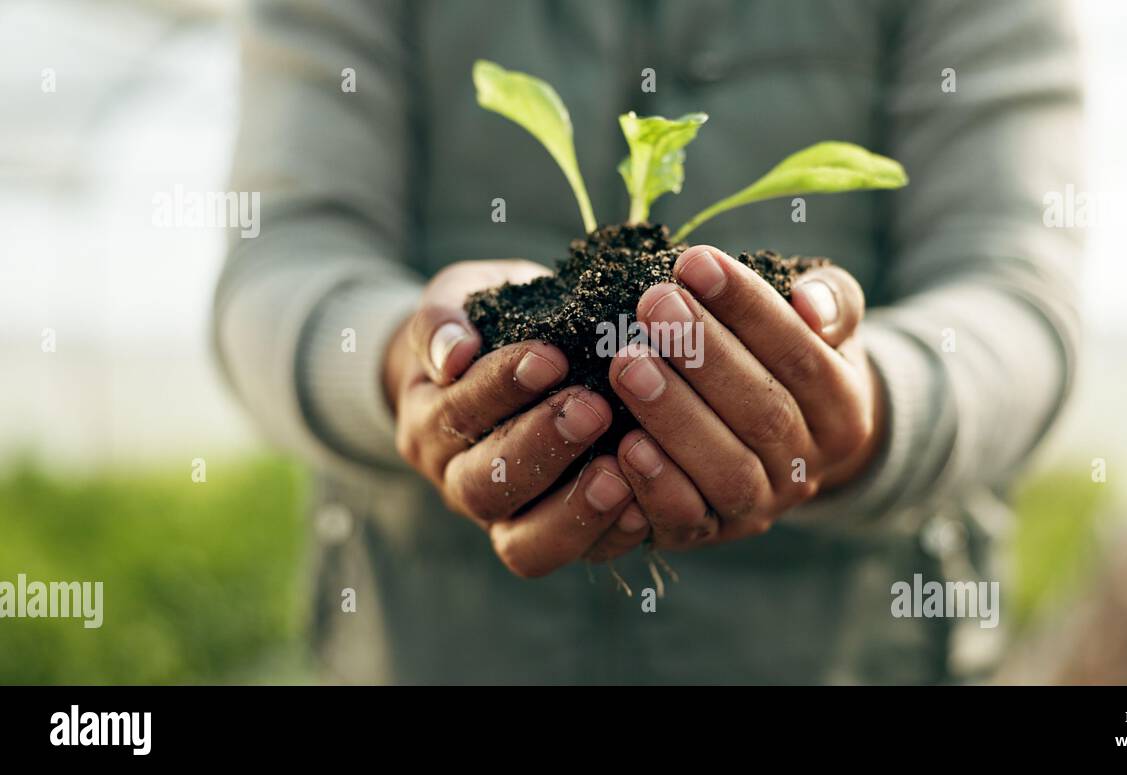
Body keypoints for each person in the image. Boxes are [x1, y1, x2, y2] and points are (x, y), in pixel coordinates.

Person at [214, 0, 1082, 684]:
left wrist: (875, 401)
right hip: (431, 647)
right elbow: (279, 266)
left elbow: (1017, 300)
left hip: (849, 654)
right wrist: (398, 365)